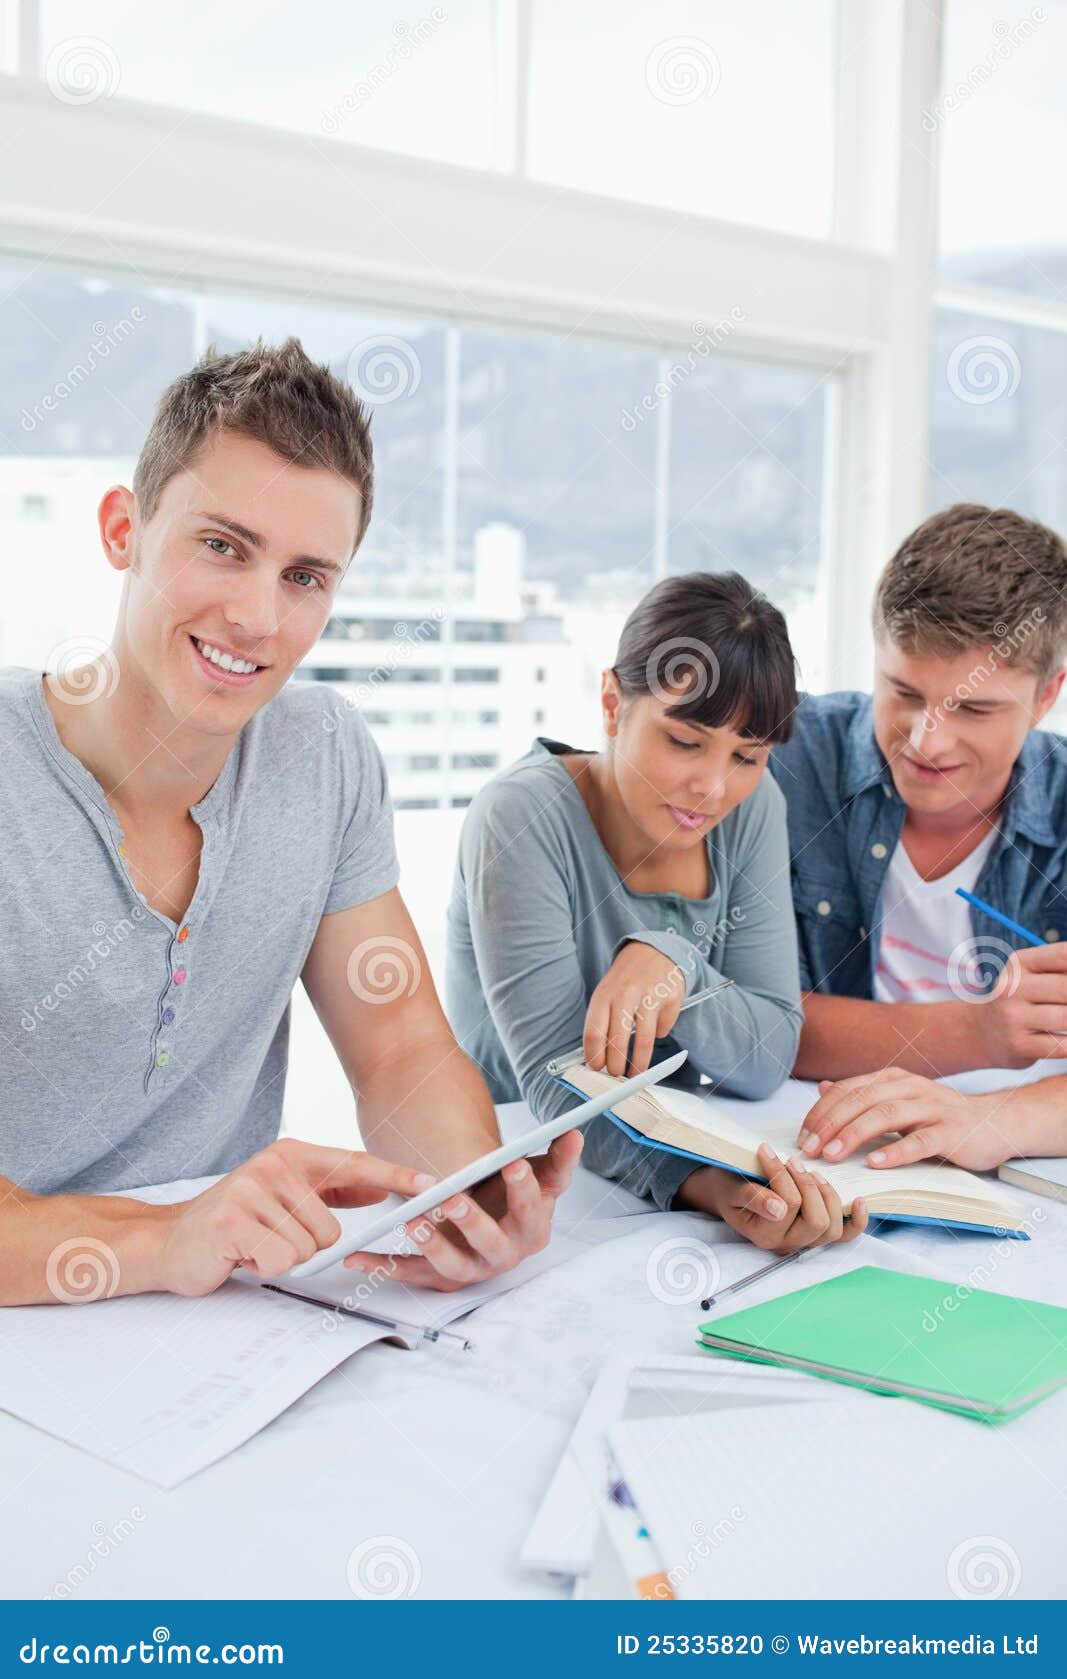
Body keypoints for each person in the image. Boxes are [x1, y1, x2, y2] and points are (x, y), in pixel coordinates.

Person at [0, 338, 580, 1308]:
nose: (257, 617)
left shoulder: (323, 754)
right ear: (123, 530)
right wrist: (164, 1239)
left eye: (305, 577)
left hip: (218, 1322)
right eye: (222, 547)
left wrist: (468, 1192)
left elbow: (398, 1045)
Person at [447, 571, 868, 1255]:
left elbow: (767, 1058)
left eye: (747, 756)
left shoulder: (752, 808)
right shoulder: (520, 816)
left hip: (680, 1144)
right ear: (612, 703)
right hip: (521, 1169)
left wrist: (677, 966)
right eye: (683, 741)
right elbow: (559, 1087)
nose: (712, 787)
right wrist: (712, 1189)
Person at [770, 502, 1067, 1174]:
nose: (927, 742)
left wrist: (990, 1120)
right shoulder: (782, 755)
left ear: (1047, 696)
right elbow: (745, 1021)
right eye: (903, 693)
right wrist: (979, 1031)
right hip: (804, 1153)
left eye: (974, 708)